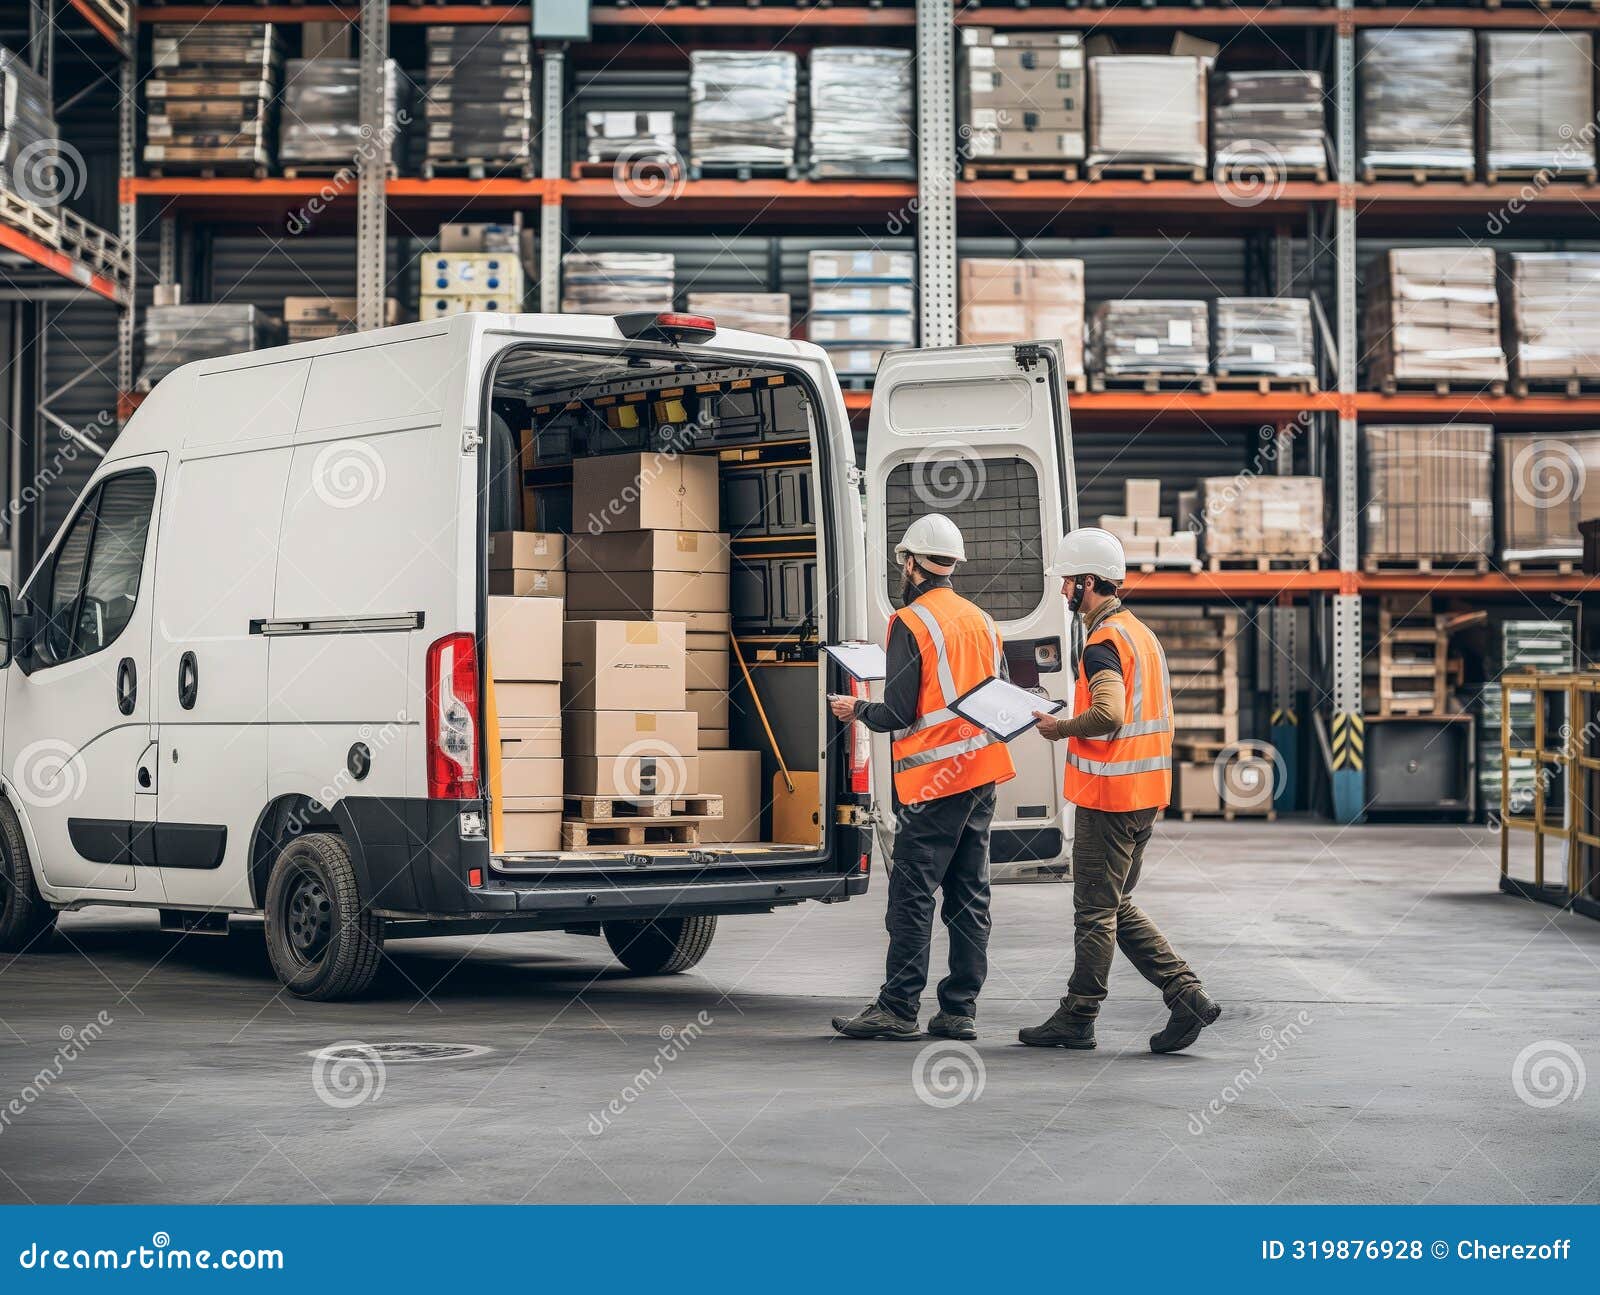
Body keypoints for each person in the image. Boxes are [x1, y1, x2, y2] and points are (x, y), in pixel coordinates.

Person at [1020, 526, 1221, 1055]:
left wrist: (1059, 728)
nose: (1063, 590)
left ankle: (1078, 1016)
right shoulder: (1141, 634)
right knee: (1114, 904)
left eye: (1068, 581)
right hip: (1143, 794)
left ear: (1088, 582)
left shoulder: (1102, 643)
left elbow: (1109, 713)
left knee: (1094, 911)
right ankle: (1185, 994)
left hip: (1109, 798)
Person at [826, 514, 1015, 1041]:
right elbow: (998, 694)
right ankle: (958, 1010)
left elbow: (899, 712)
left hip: (935, 782)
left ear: (911, 564)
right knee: (969, 894)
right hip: (981, 774)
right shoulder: (982, 619)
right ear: (951, 565)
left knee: (912, 894)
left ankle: (898, 1007)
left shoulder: (908, 621)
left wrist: (856, 708)